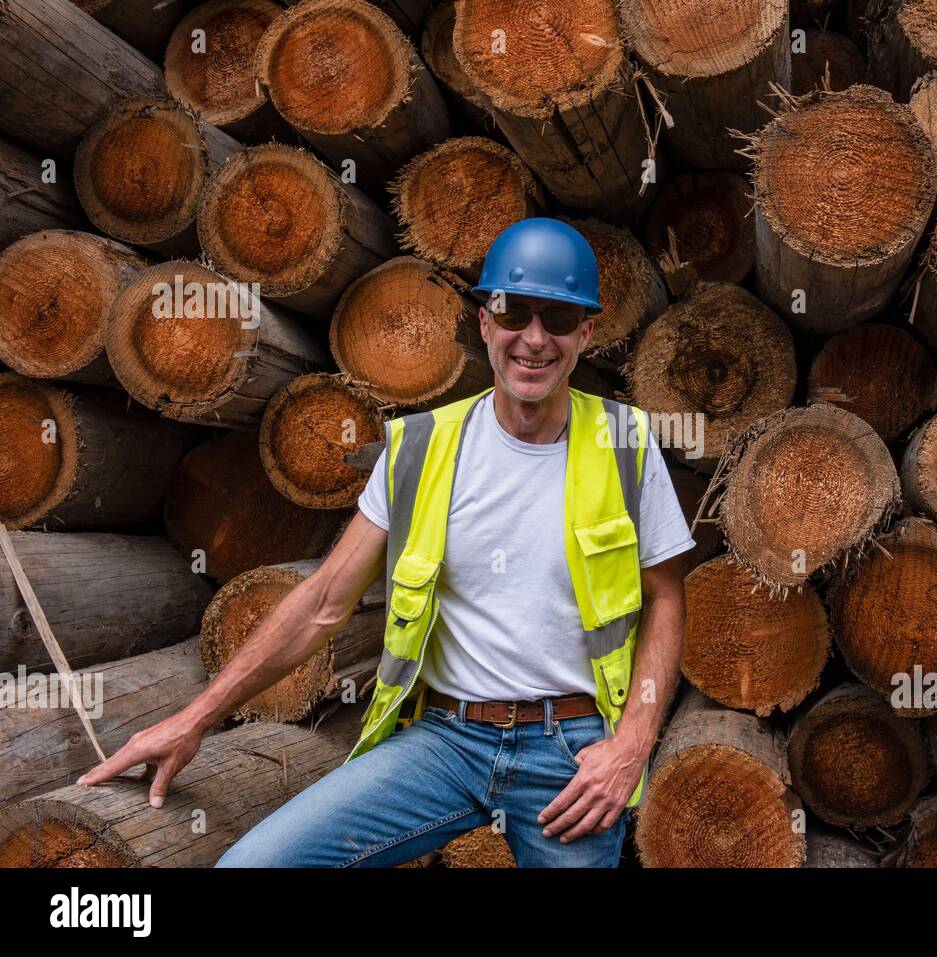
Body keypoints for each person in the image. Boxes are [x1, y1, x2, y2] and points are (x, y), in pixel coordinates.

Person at [77, 218, 695, 867]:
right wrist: (193, 718)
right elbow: (322, 600)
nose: (534, 338)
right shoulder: (419, 448)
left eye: (558, 317)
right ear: (485, 321)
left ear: (586, 332)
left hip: (570, 754)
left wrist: (632, 742)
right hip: (445, 744)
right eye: (514, 313)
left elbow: (665, 600)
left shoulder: (625, 442)